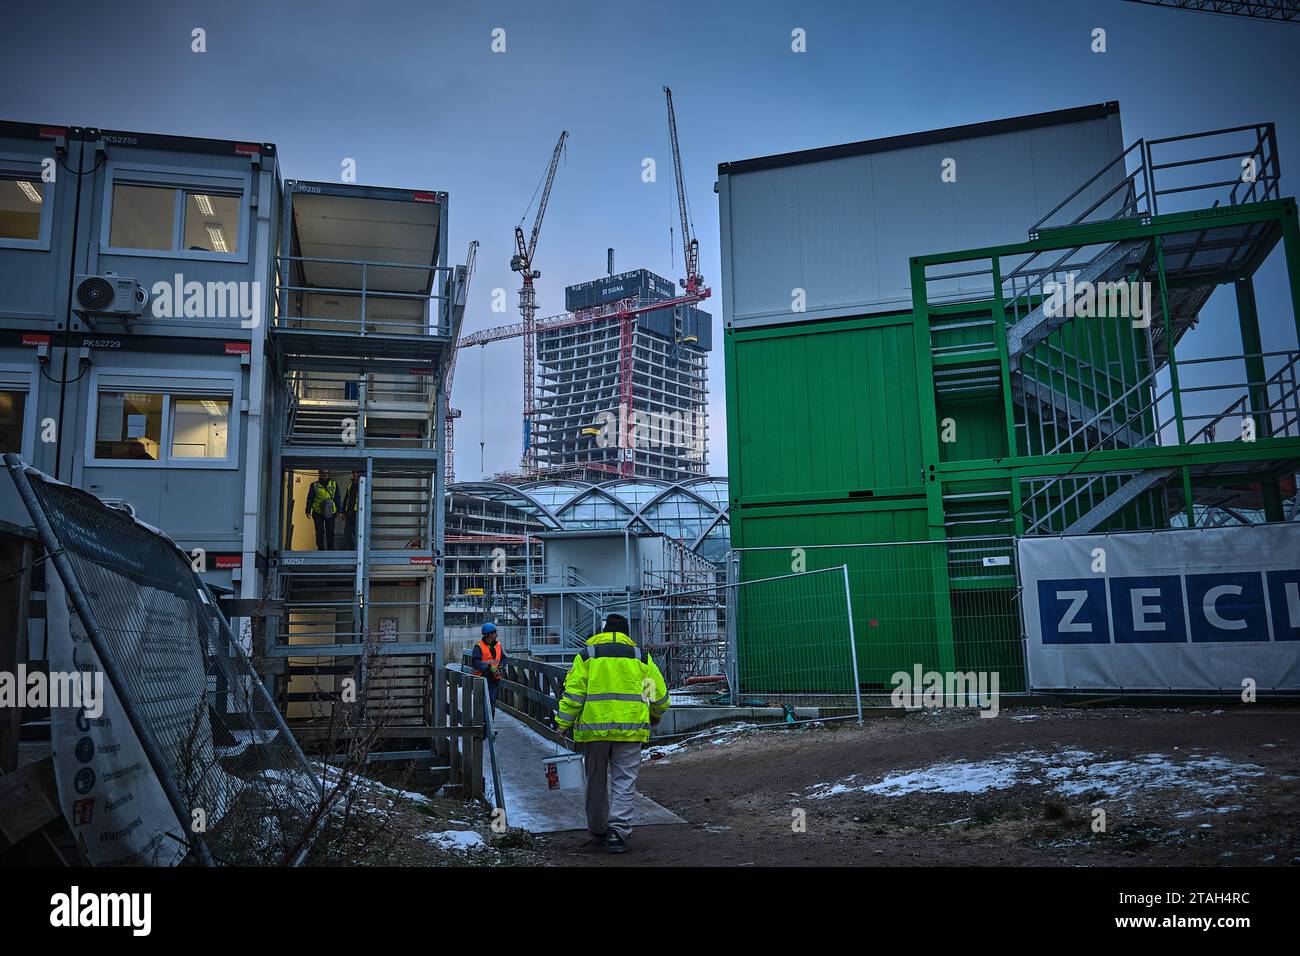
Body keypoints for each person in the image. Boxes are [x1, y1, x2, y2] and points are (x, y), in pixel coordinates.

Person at [554, 613, 669, 854]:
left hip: (595, 729)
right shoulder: (640, 657)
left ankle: (597, 827)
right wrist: (655, 713)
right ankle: (618, 832)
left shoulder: (588, 655)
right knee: (624, 781)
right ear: (627, 633)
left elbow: (574, 693)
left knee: (595, 778)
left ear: (602, 631)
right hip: (630, 730)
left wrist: (563, 722)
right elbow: (655, 692)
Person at [471, 622, 506, 711]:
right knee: (484, 703)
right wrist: (489, 667)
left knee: (491, 701)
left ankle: (489, 723)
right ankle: (485, 723)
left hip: (495, 679)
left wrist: (501, 666)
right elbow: (475, 663)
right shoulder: (478, 647)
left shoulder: (498, 645)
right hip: (482, 679)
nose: (496, 635)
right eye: (494, 633)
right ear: (489, 634)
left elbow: (503, 658)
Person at [305, 470, 339, 550]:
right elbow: (310, 498)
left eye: (326, 472)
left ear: (329, 473)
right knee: (319, 533)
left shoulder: (334, 484)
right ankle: (321, 550)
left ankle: (330, 551)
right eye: (322, 472)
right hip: (318, 512)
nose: (324, 474)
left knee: (330, 533)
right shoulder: (314, 485)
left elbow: (337, 498)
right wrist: (308, 509)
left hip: (330, 512)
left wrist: (340, 510)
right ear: (319, 474)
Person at [341, 469, 363, 550]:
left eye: (356, 472)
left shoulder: (365, 485)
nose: (354, 474)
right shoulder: (350, 485)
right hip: (349, 512)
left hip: (359, 512)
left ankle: (357, 551)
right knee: (347, 533)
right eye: (353, 472)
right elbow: (346, 498)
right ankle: (353, 550)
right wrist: (343, 512)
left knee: (357, 534)